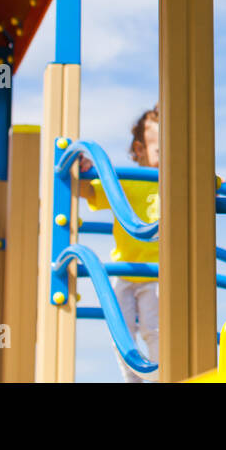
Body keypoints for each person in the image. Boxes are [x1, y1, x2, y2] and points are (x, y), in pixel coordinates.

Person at [79, 106, 161, 383]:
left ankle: (164, 377)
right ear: (139, 150)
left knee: (154, 330)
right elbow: (89, 191)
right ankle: (133, 380)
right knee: (121, 333)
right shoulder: (128, 180)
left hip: (157, 274)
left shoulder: (179, 182)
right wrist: (82, 171)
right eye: (161, 151)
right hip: (124, 271)